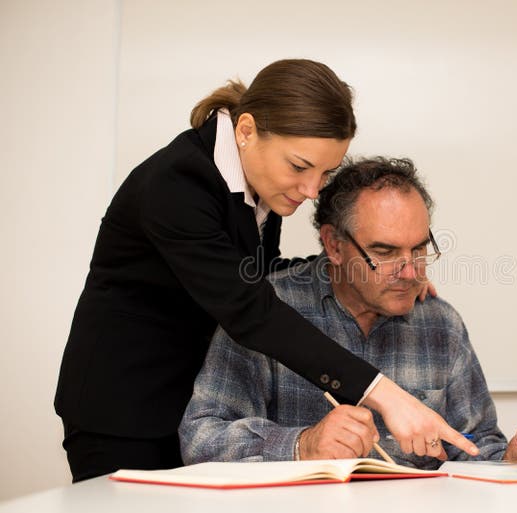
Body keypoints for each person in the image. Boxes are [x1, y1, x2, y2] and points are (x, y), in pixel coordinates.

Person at [54, 60, 477, 482]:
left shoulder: (259, 182)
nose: (311, 190)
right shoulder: (175, 185)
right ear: (246, 131)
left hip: (185, 400)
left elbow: (256, 272)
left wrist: (366, 267)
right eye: (299, 166)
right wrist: (383, 394)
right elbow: (251, 308)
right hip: (126, 406)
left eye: (325, 172)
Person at [179, 157, 517, 466]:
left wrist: (514, 458)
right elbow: (201, 438)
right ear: (334, 245)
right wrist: (302, 444)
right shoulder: (267, 312)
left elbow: (474, 446)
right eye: (384, 252)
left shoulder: (440, 324)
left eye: (419, 249)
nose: (410, 273)